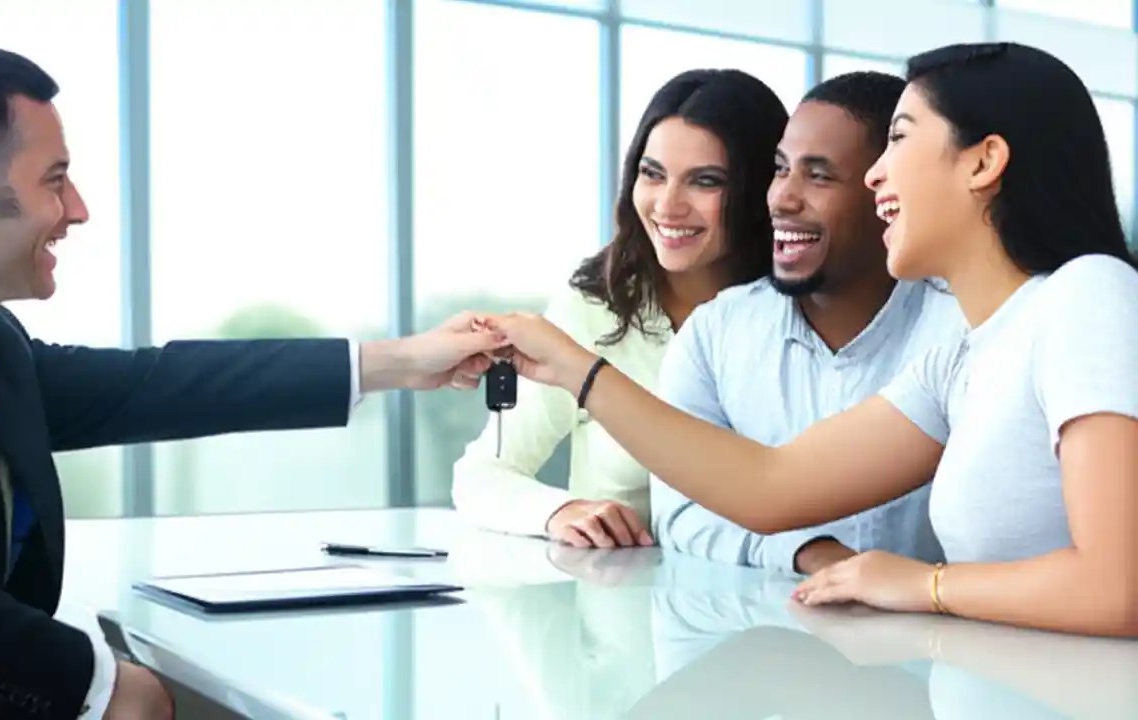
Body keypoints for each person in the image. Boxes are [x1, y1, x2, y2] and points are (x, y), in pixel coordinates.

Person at [0, 42, 504, 719]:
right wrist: (94, 684)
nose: (77, 209)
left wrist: (399, 361)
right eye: (55, 179)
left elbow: (157, 384)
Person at [486, 42, 1138, 638]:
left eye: (900, 141)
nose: (877, 176)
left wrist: (925, 584)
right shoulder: (965, 359)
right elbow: (770, 487)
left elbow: (1120, 588)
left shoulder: (1088, 295)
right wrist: (577, 370)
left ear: (985, 161)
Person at [451, 69, 787, 548]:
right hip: (618, 609)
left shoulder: (792, 317)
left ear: (759, 192)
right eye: (652, 174)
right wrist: (559, 511)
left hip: (761, 606)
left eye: (705, 181)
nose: (668, 205)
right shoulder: (594, 307)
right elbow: (483, 473)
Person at [650, 71, 964, 575]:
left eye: (819, 176)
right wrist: (811, 555)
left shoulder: (962, 333)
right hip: (757, 643)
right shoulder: (714, 335)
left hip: (941, 645)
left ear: (888, 192)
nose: (782, 199)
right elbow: (682, 512)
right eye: (781, 170)